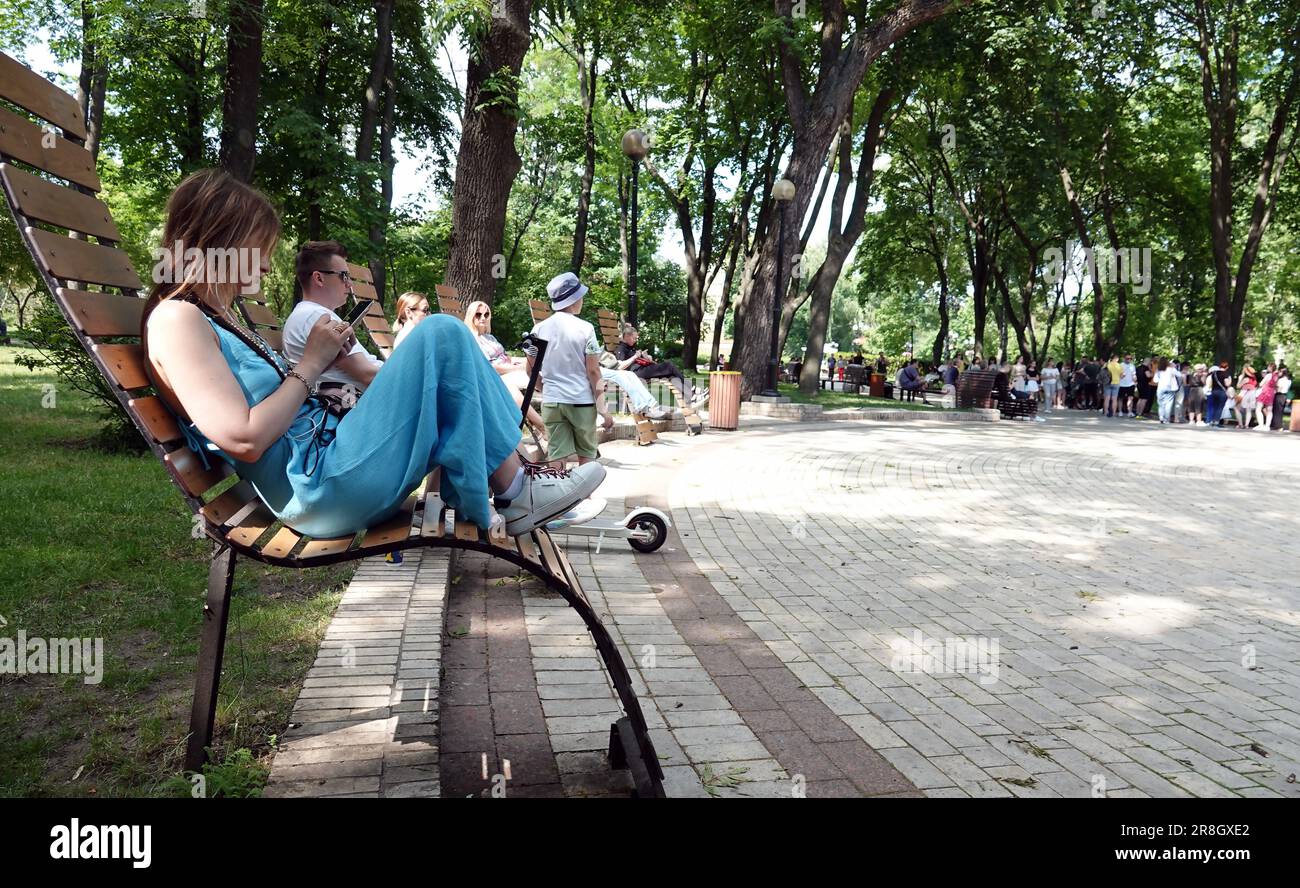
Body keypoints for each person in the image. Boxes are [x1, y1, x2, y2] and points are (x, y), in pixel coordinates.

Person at [142, 169, 603, 539]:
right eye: (259, 247)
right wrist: (310, 363)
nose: (266, 261)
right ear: (219, 242)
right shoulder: (177, 319)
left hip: (336, 463)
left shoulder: (214, 317)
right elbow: (242, 439)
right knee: (442, 332)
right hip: (321, 489)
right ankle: (517, 488)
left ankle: (515, 484)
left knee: (443, 346)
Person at [281, 241, 383, 398]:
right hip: (365, 404)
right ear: (319, 278)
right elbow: (368, 374)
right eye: (344, 276)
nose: (349, 284)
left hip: (362, 400)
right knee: (432, 325)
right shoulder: (316, 317)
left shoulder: (311, 315)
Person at [530, 273, 603, 469]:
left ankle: (559, 497)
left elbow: (530, 369)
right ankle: (587, 499)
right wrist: (603, 406)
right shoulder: (586, 329)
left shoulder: (538, 330)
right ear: (574, 299)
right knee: (587, 453)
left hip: (552, 401)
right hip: (581, 401)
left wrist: (546, 389)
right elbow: (594, 371)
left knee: (557, 454)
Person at [461, 299, 549, 446]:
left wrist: (527, 360)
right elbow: (488, 367)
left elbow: (506, 357)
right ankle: (542, 426)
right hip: (496, 377)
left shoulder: (489, 337)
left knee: (543, 374)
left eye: (486, 314)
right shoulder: (471, 339)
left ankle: (556, 424)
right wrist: (519, 367)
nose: (483, 317)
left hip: (509, 370)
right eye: (478, 314)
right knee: (512, 383)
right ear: (471, 316)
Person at [615, 323, 704, 406]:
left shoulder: (631, 348)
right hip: (636, 373)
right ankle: (691, 388)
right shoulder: (621, 349)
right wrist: (634, 357)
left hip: (643, 370)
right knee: (669, 365)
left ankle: (691, 397)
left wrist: (646, 358)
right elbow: (620, 366)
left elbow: (637, 359)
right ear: (626, 336)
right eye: (634, 338)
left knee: (672, 376)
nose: (635, 340)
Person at [1155, 356, 1181, 424]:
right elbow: (1179, 375)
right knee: (1168, 404)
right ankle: (1166, 419)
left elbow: (1155, 380)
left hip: (1160, 388)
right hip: (1170, 388)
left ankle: (1161, 417)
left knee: (1161, 404)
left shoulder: (1158, 370)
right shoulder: (1171, 369)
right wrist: (1175, 367)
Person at [1254, 364, 1278, 431]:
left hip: (1265, 391)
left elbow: (1261, 384)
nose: (1267, 367)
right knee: (1269, 410)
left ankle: (1261, 425)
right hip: (1271, 392)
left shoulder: (1268, 375)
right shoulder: (1276, 376)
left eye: (1268, 366)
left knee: (1258, 408)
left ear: (1271, 368)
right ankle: (1267, 426)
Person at [1205, 360, 1230, 426]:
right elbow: (1227, 384)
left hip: (1214, 391)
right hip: (1222, 392)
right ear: (1227, 367)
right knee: (1220, 407)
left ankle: (1211, 421)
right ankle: (1216, 421)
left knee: (1215, 406)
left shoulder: (1214, 373)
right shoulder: (1225, 374)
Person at [1272, 366, 1291, 431]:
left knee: (1277, 411)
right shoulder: (1289, 380)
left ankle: (1278, 426)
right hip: (1284, 396)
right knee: (1281, 411)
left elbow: (1278, 388)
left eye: (1280, 372)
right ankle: (1278, 425)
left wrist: (1275, 387)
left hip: (1279, 395)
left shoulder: (1280, 380)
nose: (1279, 373)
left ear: (1283, 373)